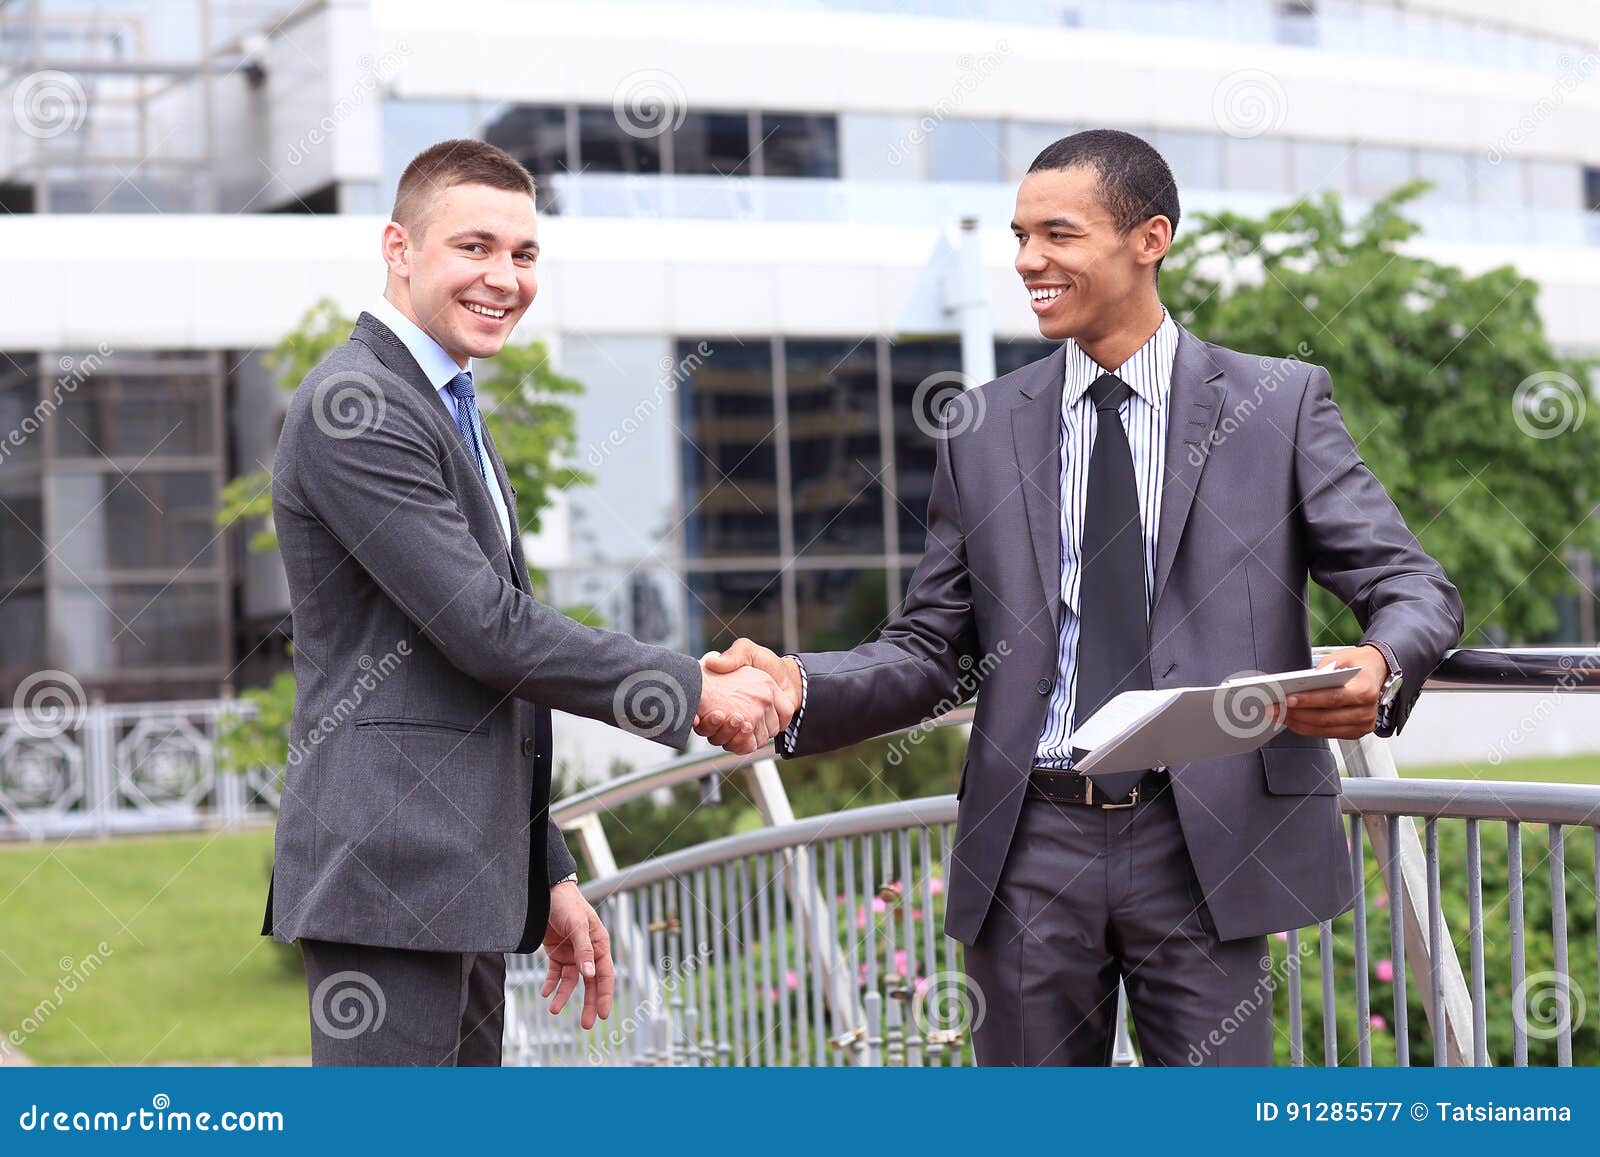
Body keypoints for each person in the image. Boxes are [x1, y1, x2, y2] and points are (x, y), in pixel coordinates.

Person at [697, 129, 1463, 1066]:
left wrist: (1382, 662)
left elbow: (1410, 583)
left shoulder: (1277, 405)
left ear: (1150, 239)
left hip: (1207, 838)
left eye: (1058, 234)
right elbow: (931, 648)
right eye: (1020, 237)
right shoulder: (980, 428)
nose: (1029, 260)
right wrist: (798, 684)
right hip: (1030, 844)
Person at [263, 139, 790, 1065]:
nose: (504, 277)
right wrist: (691, 689)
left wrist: (542, 870)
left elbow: (471, 680)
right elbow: (487, 630)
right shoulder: (358, 403)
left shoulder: (447, 402)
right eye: (474, 247)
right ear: (397, 248)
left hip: (455, 876)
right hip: (389, 876)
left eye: (524, 253)